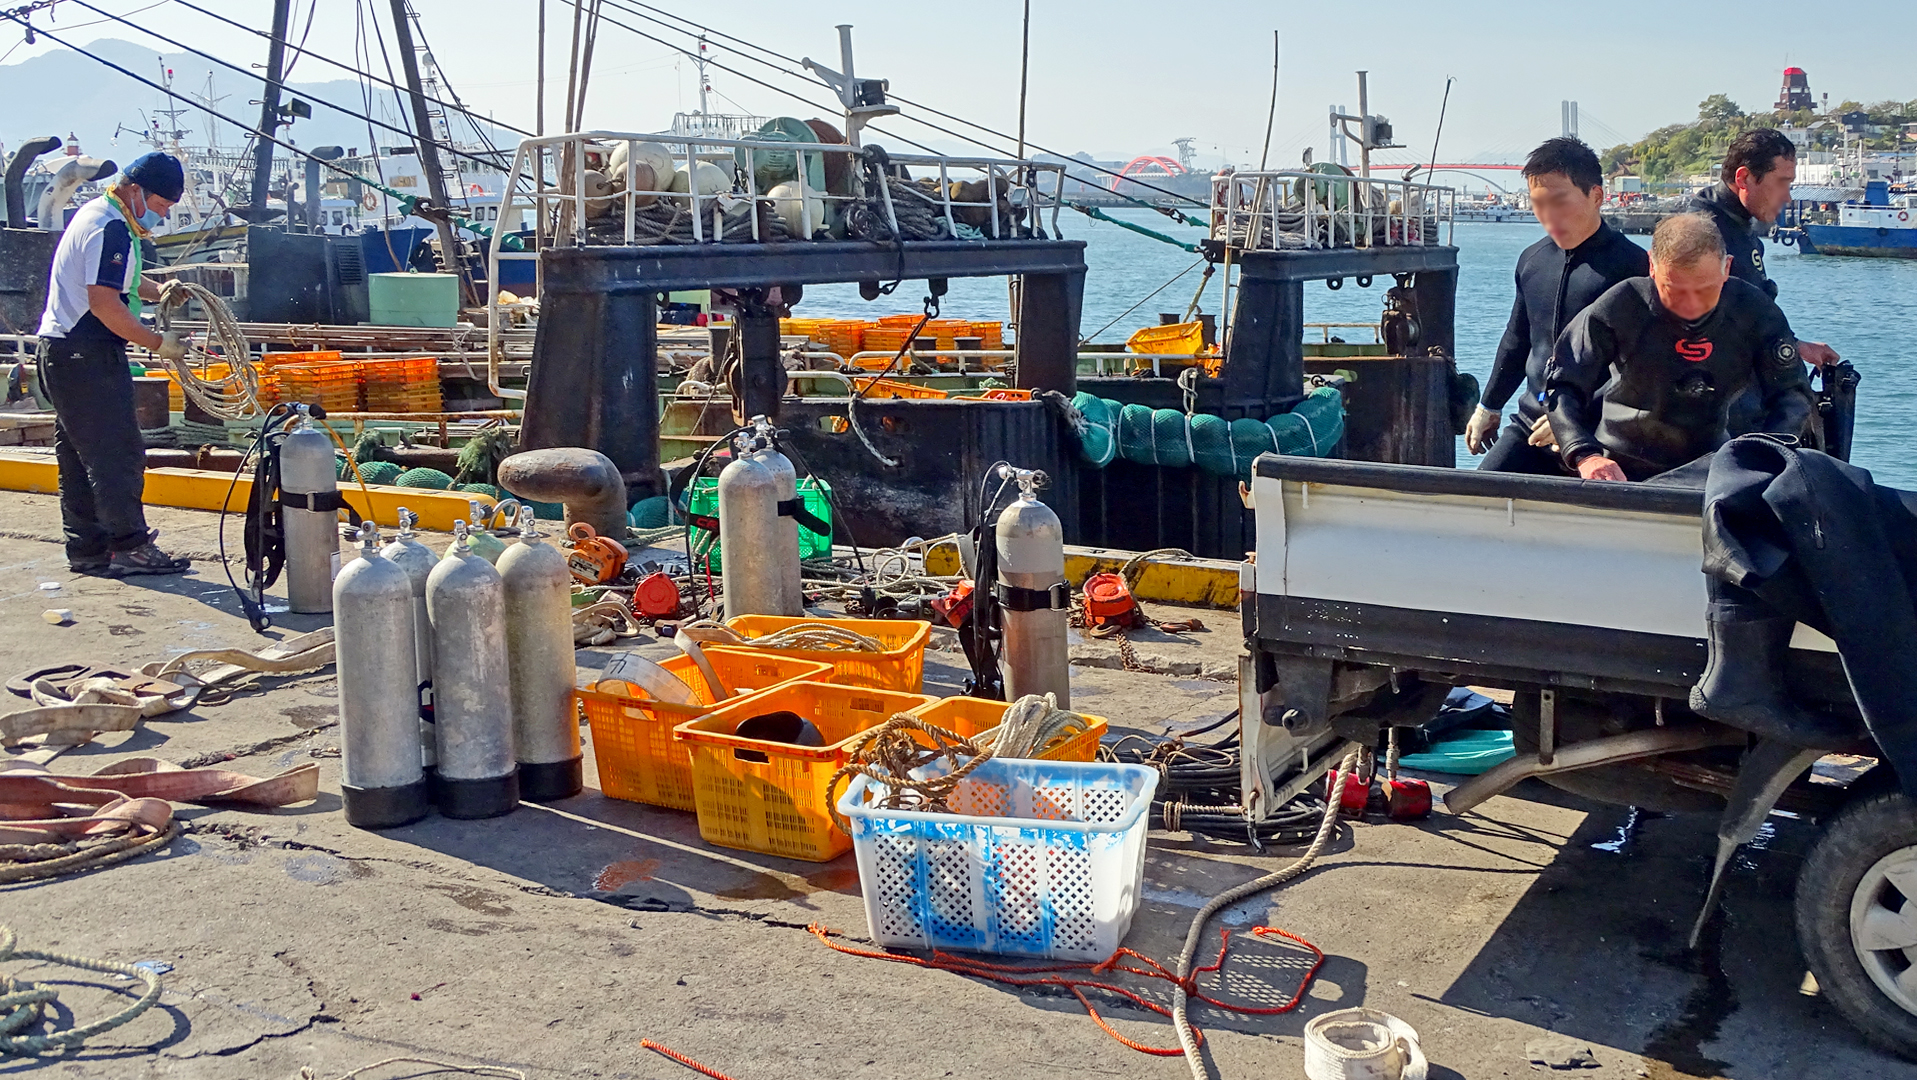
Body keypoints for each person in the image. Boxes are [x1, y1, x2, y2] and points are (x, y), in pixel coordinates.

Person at [1543, 213, 1813, 482]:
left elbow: (1791, 393)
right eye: (1675, 291)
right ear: (1652, 266)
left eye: (1705, 291)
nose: (1691, 306)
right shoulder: (1621, 305)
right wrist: (1583, 453)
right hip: (1617, 463)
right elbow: (1563, 383)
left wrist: (1763, 455)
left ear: (1727, 268)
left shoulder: (1753, 312)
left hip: (1709, 467)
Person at [35, 152, 192, 576]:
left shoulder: (97, 214)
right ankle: (130, 546)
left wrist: (158, 290)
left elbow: (111, 277)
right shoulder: (113, 228)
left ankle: (88, 548)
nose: (161, 216)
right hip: (87, 353)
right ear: (137, 191)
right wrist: (160, 343)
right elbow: (104, 303)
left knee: (77, 455)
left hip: (61, 349)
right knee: (116, 452)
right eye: (161, 206)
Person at [1465, 137, 1648, 474]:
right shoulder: (1532, 261)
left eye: (1559, 202)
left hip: (1601, 430)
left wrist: (1573, 422)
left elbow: (1642, 367)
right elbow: (1518, 340)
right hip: (1532, 424)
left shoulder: (1634, 268)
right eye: (1538, 204)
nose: (1548, 216)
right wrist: (1489, 404)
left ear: (1596, 196)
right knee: (1474, 502)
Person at [1685, 129, 1839, 370]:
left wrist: (1795, 345)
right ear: (1744, 178)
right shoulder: (1703, 235)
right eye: (1781, 183)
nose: (1787, 197)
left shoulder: (1738, 225)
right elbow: (1711, 328)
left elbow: (1749, 312)